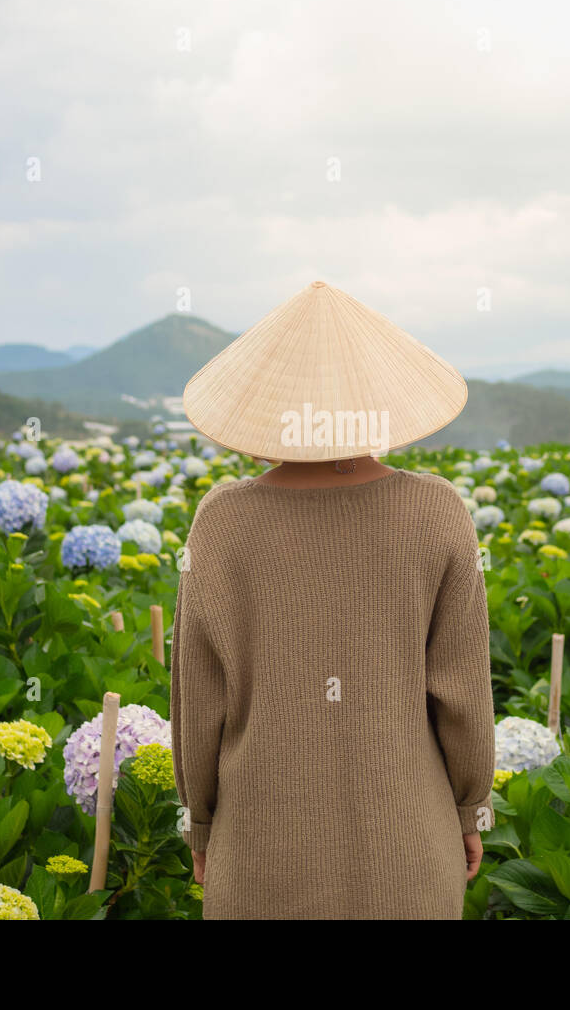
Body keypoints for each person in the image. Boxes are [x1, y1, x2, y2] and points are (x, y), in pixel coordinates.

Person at [170, 280, 495, 919]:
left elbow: (198, 702)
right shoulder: (437, 512)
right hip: (410, 848)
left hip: (259, 850)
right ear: (379, 404)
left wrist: (200, 825)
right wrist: (467, 808)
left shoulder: (223, 521)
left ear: (267, 408)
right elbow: (462, 696)